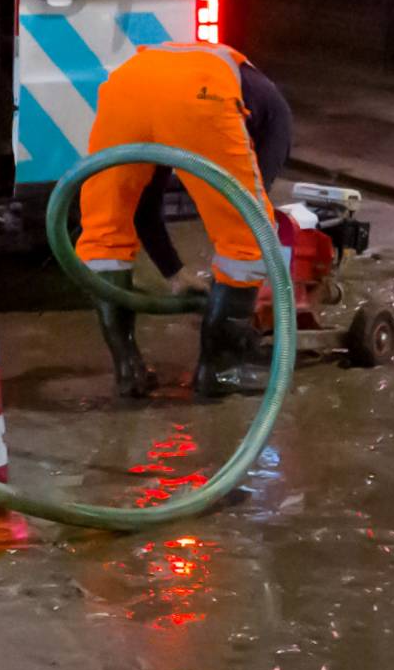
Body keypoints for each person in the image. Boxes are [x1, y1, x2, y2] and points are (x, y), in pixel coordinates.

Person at [71, 37, 292, 401]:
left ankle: (129, 369)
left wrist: (176, 274)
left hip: (125, 87)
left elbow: (143, 206)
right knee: (247, 238)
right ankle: (219, 371)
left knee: (105, 230)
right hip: (199, 97)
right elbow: (254, 211)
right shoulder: (277, 114)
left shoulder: (215, 68)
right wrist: (244, 291)